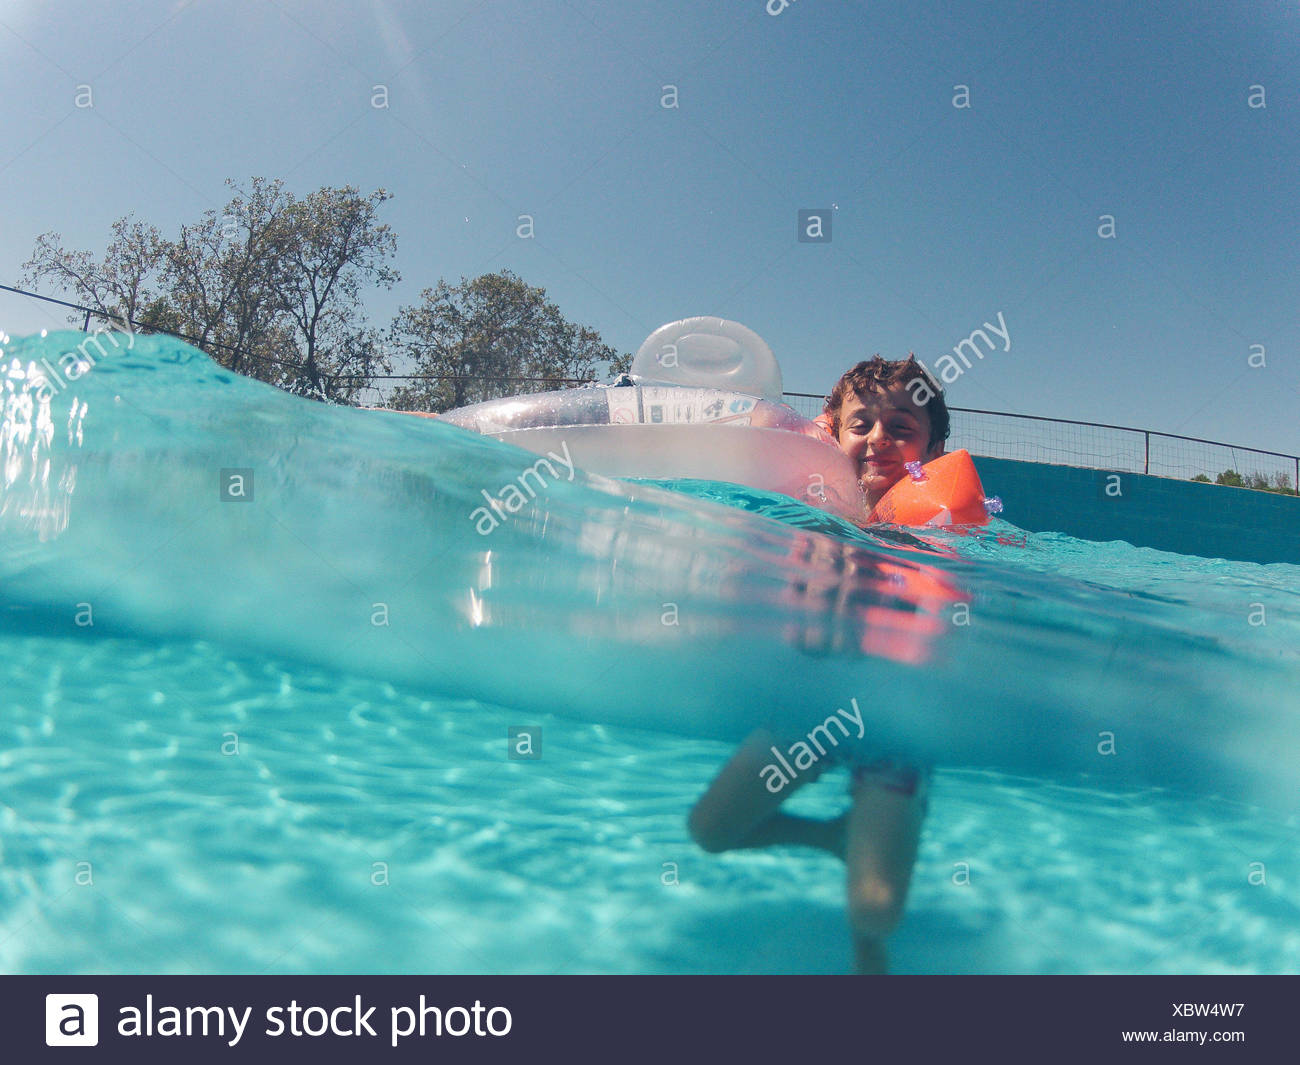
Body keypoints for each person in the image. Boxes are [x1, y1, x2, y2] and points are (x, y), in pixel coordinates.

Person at [688, 354, 950, 974]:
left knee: (875, 913)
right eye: (861, 425)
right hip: (811, 713)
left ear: (931, 448)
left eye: (902, 427)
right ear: (831, 433)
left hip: (893, 725)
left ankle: (872, 895)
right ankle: (839, 837)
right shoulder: (809, 510)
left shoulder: (944, 522)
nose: (879, 440)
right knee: (712, 831)